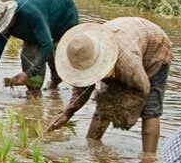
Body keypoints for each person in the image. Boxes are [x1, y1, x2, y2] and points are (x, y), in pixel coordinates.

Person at [48, 16, 173, 152]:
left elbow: (144, 88)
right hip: (124, 39)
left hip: (154, 48)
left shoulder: (128, 65)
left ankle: (149, 157)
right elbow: (82, 91)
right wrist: (68, 113)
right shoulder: (84, 50)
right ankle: (92, 145)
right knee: (104, 102)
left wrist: (121, 108)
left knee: (151, 108)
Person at [0, 0, 79, 94]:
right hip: (39, 23)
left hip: (63, 17)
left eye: (1, 26)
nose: (0, 31)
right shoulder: (2, 28)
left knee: (56, 53)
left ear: (9, 17)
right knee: (29, 53)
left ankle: (55, 80)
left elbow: (46, 45)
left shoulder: (30, 14)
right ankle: (34, 92)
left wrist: (28, 73)